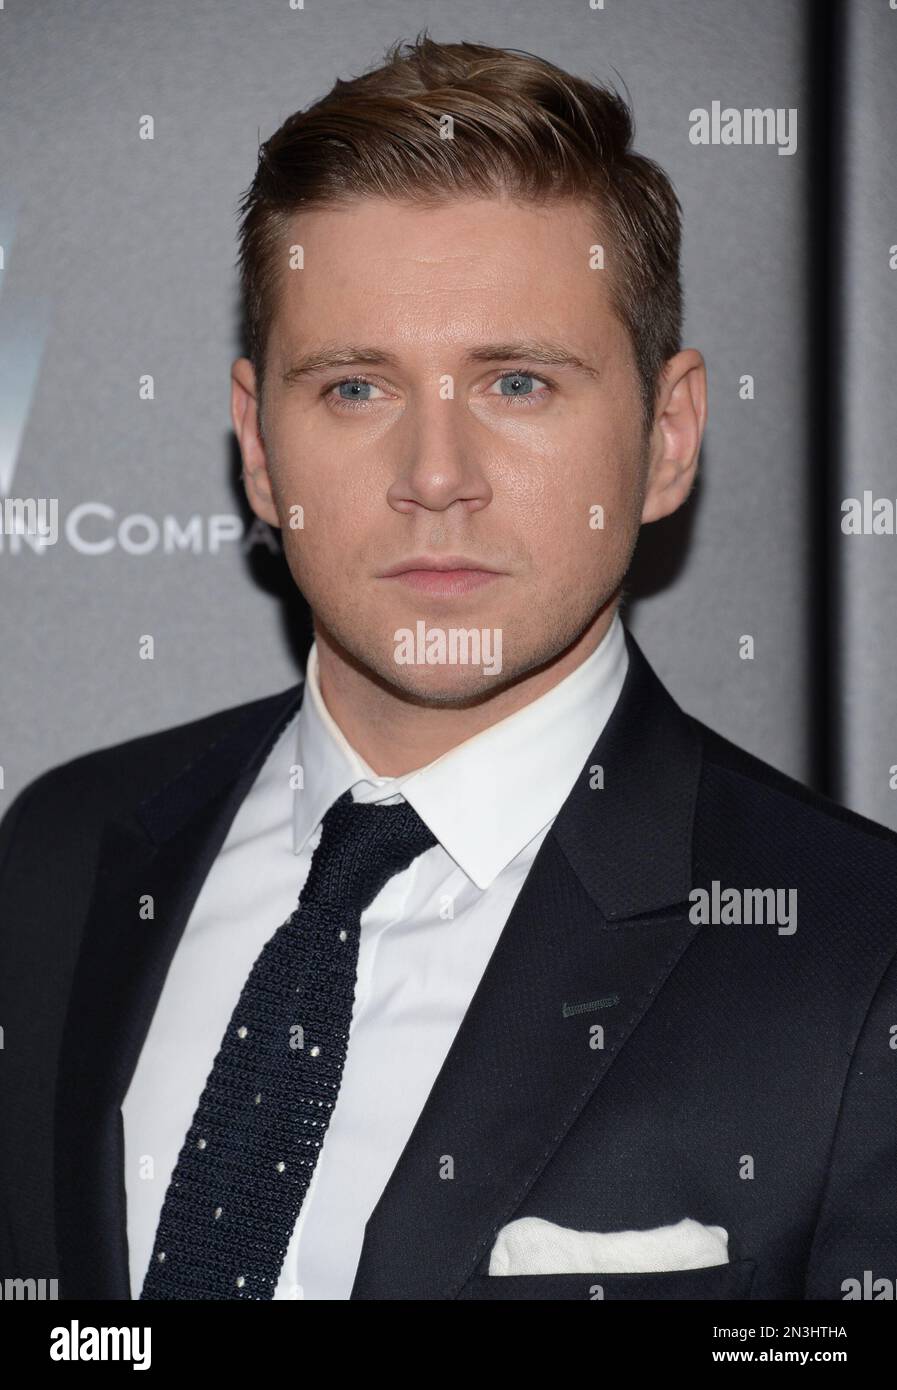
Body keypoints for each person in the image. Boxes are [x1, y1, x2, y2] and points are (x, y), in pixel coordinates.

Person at [1, 34, 895, 1303]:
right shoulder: (64, 854)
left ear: (669, 436)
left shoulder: (860, 960)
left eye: (517, 382)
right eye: (358, 386)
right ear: (258, 446)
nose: (434, 475)